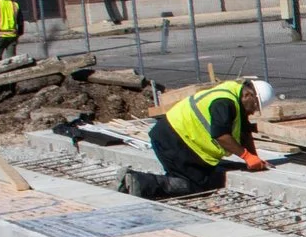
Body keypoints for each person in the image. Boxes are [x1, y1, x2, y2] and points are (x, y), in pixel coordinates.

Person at [118, 77, 275, 199]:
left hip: (176, 137)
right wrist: (246, 156)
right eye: (255, 106)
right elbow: (221, 135)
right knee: (196, 185)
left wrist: (254, 157)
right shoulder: (225, 103)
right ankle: (139, 181)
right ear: (248, 95)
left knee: (204, 175)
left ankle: (131, 181)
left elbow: (245, 132)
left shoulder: (233, 95)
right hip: (174, 140)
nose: (254, 111)